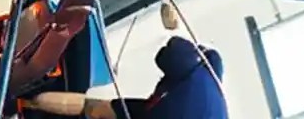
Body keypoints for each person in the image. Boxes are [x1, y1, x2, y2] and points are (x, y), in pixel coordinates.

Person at [23, 36, 228, 119]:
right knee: (95, 108)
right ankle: (30, 102)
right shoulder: (209, 65)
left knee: (97, 110)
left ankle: (30, 102)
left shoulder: (174, 108)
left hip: (166, 114)